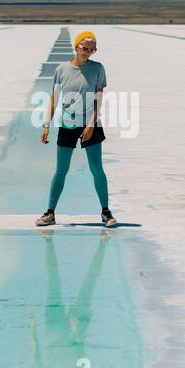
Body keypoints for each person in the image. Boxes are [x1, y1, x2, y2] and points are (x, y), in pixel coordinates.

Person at [36, 30, 116, 227]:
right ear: (76, 46)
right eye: (84, 47)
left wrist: (91, 123)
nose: (87, 51)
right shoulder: (62, 69)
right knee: (61, 170)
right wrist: (47, 124)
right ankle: (50, 213)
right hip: (67, 124)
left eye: (92, 49)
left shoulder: (98, 68)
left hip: (91, 125)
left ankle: (106, 212)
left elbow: (98, 96)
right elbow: (54, 98)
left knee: (96, 168)